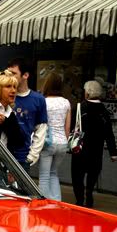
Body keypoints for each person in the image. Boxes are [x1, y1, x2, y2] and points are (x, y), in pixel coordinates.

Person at [71, 80, 117, 207]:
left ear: (87, 93)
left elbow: (71, 127)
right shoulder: (104, 110)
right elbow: (109, 132)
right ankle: (89, 195)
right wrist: (113, 152)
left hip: (80, 149)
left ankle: (80, 200)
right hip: (96, 150)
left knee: (77, 177)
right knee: (92, 175)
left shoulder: (80, 107)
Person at [5, 58, 47, 170]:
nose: (9, 77)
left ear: (25, 75)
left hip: (23, 157)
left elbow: (41, 129)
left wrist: (31, 157)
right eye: (8, 73)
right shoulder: (3, 95)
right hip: (2, 155)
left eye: (13, 73)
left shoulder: (38, 99)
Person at [37, 72, 70, 200]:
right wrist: (65, 141)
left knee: (44, 175)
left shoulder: (43, 102)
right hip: (62, 143)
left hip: (47, 142)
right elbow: (67, 127)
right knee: (54, 174)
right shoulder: (66, 102)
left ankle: (44, 204)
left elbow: (40, 124)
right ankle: (57, 202)